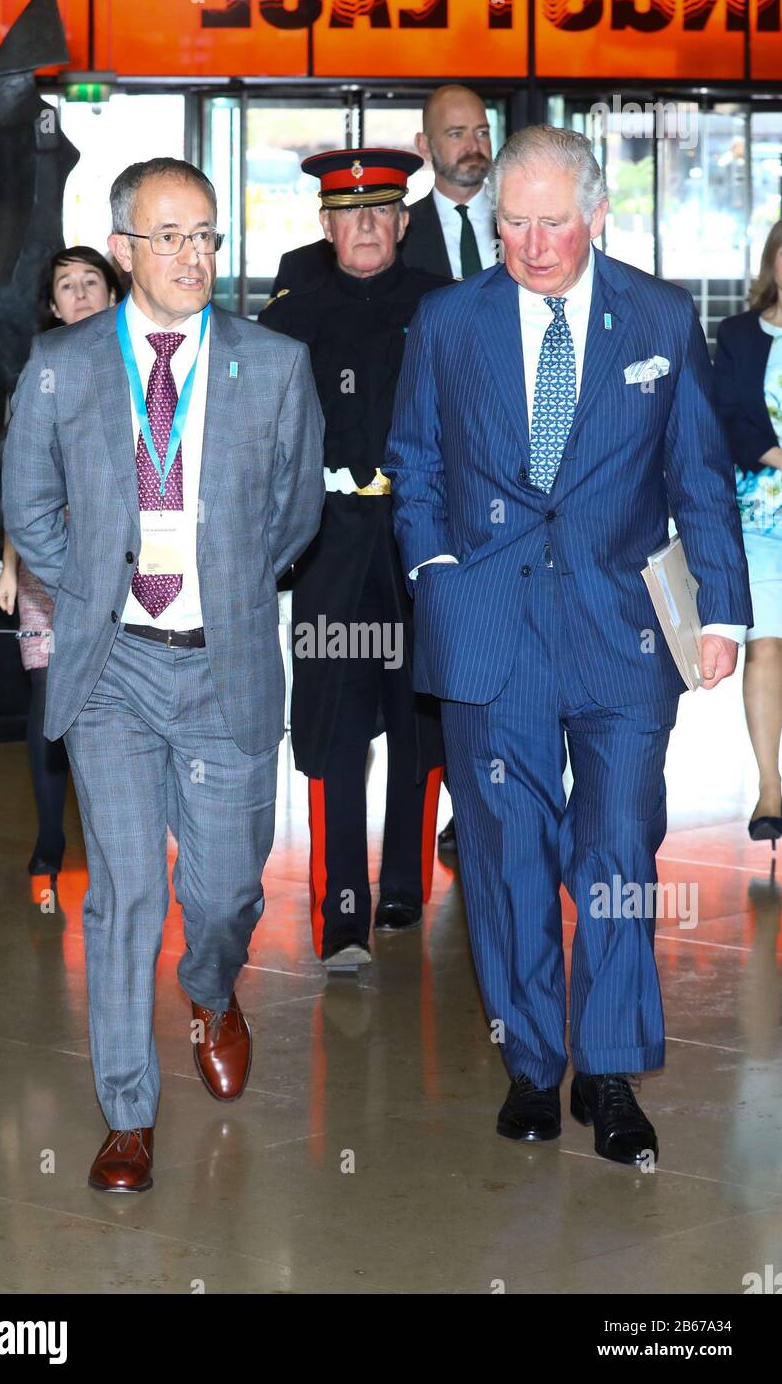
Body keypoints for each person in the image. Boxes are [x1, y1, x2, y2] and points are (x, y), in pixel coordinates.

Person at [384, 125, 751, 1166]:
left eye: (553, 223)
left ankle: (610, 1071)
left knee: (618, 848)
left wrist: (720, 613)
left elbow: (697, 472)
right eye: (513, 224)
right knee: (503, 853)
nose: (533, 246)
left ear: (597, 215)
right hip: (488, 629)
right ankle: (532, 1063)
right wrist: (435, 572)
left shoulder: (660, 316)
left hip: (619, 632)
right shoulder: (448, 319)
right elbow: (413, 461)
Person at [2, 157, 324, 1193]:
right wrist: (96, 585)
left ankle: (211, 990)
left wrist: (223, 582)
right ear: (124, 249)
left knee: (225, 891)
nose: (193, 256)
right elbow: (28, 501)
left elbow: (296, 512)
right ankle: (127, 1114)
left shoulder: (272, 364)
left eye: (206, 236)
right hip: (113, 668)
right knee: (125, 893)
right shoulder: (62, 362)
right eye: (170, 237)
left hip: (224, 663)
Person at [259, 149, 446, 971]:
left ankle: (404, 881)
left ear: (402, 222)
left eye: (380, 211)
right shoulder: (288, 319)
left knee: (420, 721)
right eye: (349, 213)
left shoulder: (445, 307)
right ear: (325, 226)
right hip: (331, 550)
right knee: (333, 725)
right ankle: (341, 907)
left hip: (422, 547)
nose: (365, 226)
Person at [0, 246, 123, 886]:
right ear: (51, 305)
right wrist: (9, 565)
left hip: (124, 561)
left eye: (90, 281)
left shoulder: (142, 365)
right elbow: (21, 484)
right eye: (66, 285)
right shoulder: (37, 373)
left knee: (120, 700)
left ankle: (117, 836)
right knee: (50, 699)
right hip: (48, 567)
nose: (79, 294)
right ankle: (50, 836)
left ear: (113, 293)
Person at [268, 84, 495, 298]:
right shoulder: (385, 237)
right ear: (424, 145)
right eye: (456, 134)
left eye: (482, 133)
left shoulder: (513, 222)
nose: (473, 146)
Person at [714, 219, 782, 845]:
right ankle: (769, 787)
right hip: (760, 518)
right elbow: (729, 416)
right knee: (765, 647)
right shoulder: (739, 334)